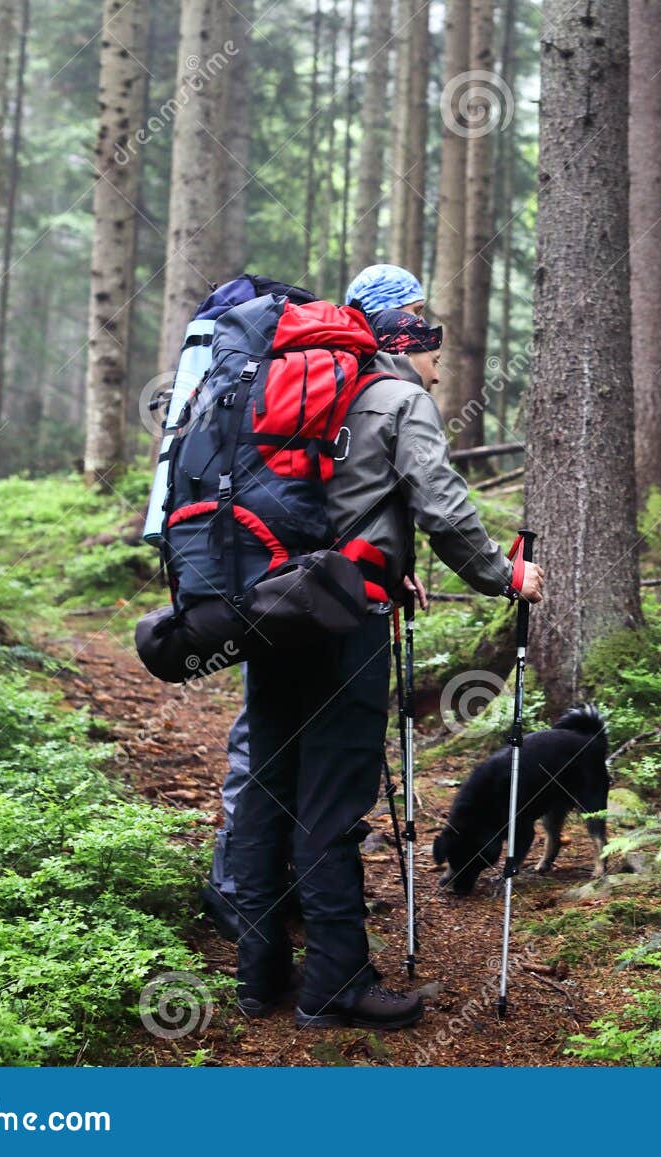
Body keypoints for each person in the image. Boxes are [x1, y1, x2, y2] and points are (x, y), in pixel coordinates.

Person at [228, 298, 544, 1030]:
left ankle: (259, 974)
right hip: (346, 622)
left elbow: (328, 503)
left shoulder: (294, 393)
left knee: (268, 788)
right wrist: (505, 577)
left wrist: (388, 557)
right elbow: (443, 505)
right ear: (410, 346)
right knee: (333, 803)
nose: (440, 367)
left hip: (268, 611)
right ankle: (333, 984)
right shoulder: (399, 400)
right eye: (435, 350)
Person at [202, 284, 441, 941]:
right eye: (413, 315)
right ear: (384, 318)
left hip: (277, 588)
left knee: (273, 754)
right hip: (324, 602)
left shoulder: (316, 381)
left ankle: (258, 928)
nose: (422, 331)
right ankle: (278, 916)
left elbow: (332, 496)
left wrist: (392, 562)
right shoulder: (348, 382)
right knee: (298, 766)